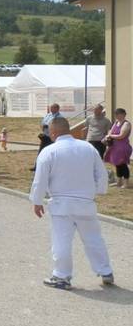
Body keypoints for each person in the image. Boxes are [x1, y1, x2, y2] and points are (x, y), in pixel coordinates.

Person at [31, 117, 114, 289]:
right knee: (94, 239)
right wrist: (98, 191)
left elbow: (40, 180)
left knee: (61, 241)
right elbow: (102, 174)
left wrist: (37, 201)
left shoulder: (49, 151)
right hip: (86, 202)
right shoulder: (88, 148)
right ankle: (105, 271)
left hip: (62, 204)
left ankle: (61, 276)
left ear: (53, 132)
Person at [103, 108, 132, 189]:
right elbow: (111, 132)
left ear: (123, 114)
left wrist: (110, 136)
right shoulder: (116, 122)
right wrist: (108, 136)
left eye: (118, 114)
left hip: (123, 147)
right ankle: (119, 182)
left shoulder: (126, 124)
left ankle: (126, 183)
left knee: (123, 165)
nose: (116, 115)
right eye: (115, 114)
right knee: (117, 164)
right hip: (115, 147)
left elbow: (121, 136)